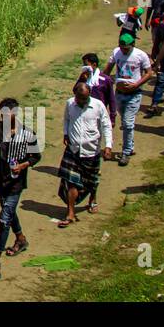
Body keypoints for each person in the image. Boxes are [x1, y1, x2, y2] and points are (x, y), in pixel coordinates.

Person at [0, 98, 41, 280]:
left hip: (16, 183)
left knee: (4, 219)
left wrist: (23, 166)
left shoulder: (28, 134)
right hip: (0, 181)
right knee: (9, 212)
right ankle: (21, 239)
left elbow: (36, 156)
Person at [58, 81, 113, 227]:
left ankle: (92, 198)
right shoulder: (70, 104)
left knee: (91, 181)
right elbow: (66, 119)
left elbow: (106, 125)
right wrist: (66, 133)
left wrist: (108, 146)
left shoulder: (98, 105)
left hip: (92, 151)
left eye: (85, 98)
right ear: (75, 95)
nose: (82, 101)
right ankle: (70, 212)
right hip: (73, 150)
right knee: (71, 181)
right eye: (79, 98)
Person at [103, 33, 154, 166]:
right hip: (119, 94)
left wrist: (136, 84)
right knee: (124, 120)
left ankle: (125, 152)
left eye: (126, 49)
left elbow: (149, 73)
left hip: (134, 94)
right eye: (122, 48)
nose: (123, 51)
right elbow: (107, 70)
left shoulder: (140, 55)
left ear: (133, 45)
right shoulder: (116, 52)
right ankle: (130, 146)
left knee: (127, 123)